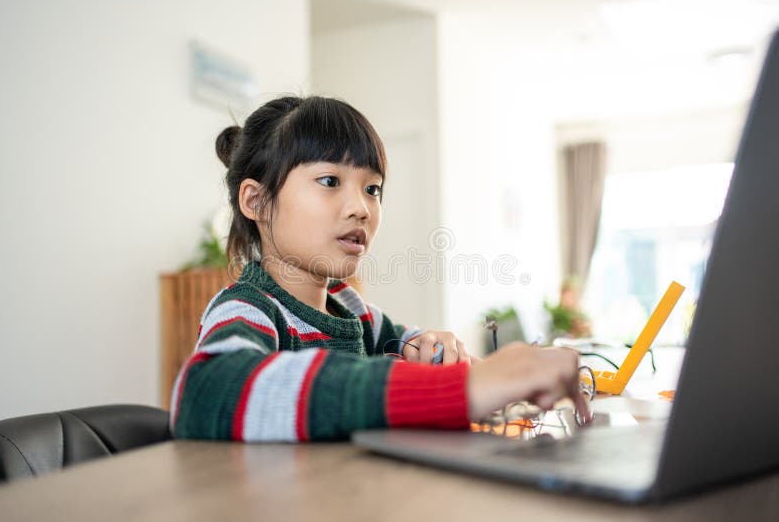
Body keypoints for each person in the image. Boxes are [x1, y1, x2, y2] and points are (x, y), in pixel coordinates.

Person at [170, 96, 589, 442]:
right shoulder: (247, 309)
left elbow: (411, 348)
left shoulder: (356, 314)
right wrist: (463, 389)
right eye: (330, 181)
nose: (362, 209)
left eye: (373, 189)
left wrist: (433, 351)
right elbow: (206, 392)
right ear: (256, 202)